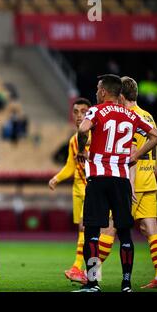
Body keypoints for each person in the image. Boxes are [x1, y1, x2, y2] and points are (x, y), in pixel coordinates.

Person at [74, 74, 157, 292]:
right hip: (122, 180)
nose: (96, 92)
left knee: (93, 233)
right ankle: (126, 284)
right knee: (124, 233)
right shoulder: (131, 115)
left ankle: (93, 282)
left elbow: (83, 130)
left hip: (98, 178)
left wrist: (82, 149)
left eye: (97, 88)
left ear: (104, 92)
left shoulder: (96, 110)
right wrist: (135, 155)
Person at [49, 98, 117, 284]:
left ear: (91, 113)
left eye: (83, 111)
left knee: (95, 230)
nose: (79, 116)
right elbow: (70, 166)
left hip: (95, 189)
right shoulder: (73, 140)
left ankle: (80, 268)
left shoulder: (98, 135)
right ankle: (86, 272)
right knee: (85, 230)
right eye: (75, 112)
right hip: (78, 190)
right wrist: (57, 178)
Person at [121, 76, 157, 289]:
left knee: (108, 228)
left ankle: (90, 275)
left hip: (134, 180)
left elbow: (131, 152)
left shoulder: (128, 117)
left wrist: (129, 181)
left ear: (121, 95)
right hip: (150, 179)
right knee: (151, 229)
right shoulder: (148, 116)